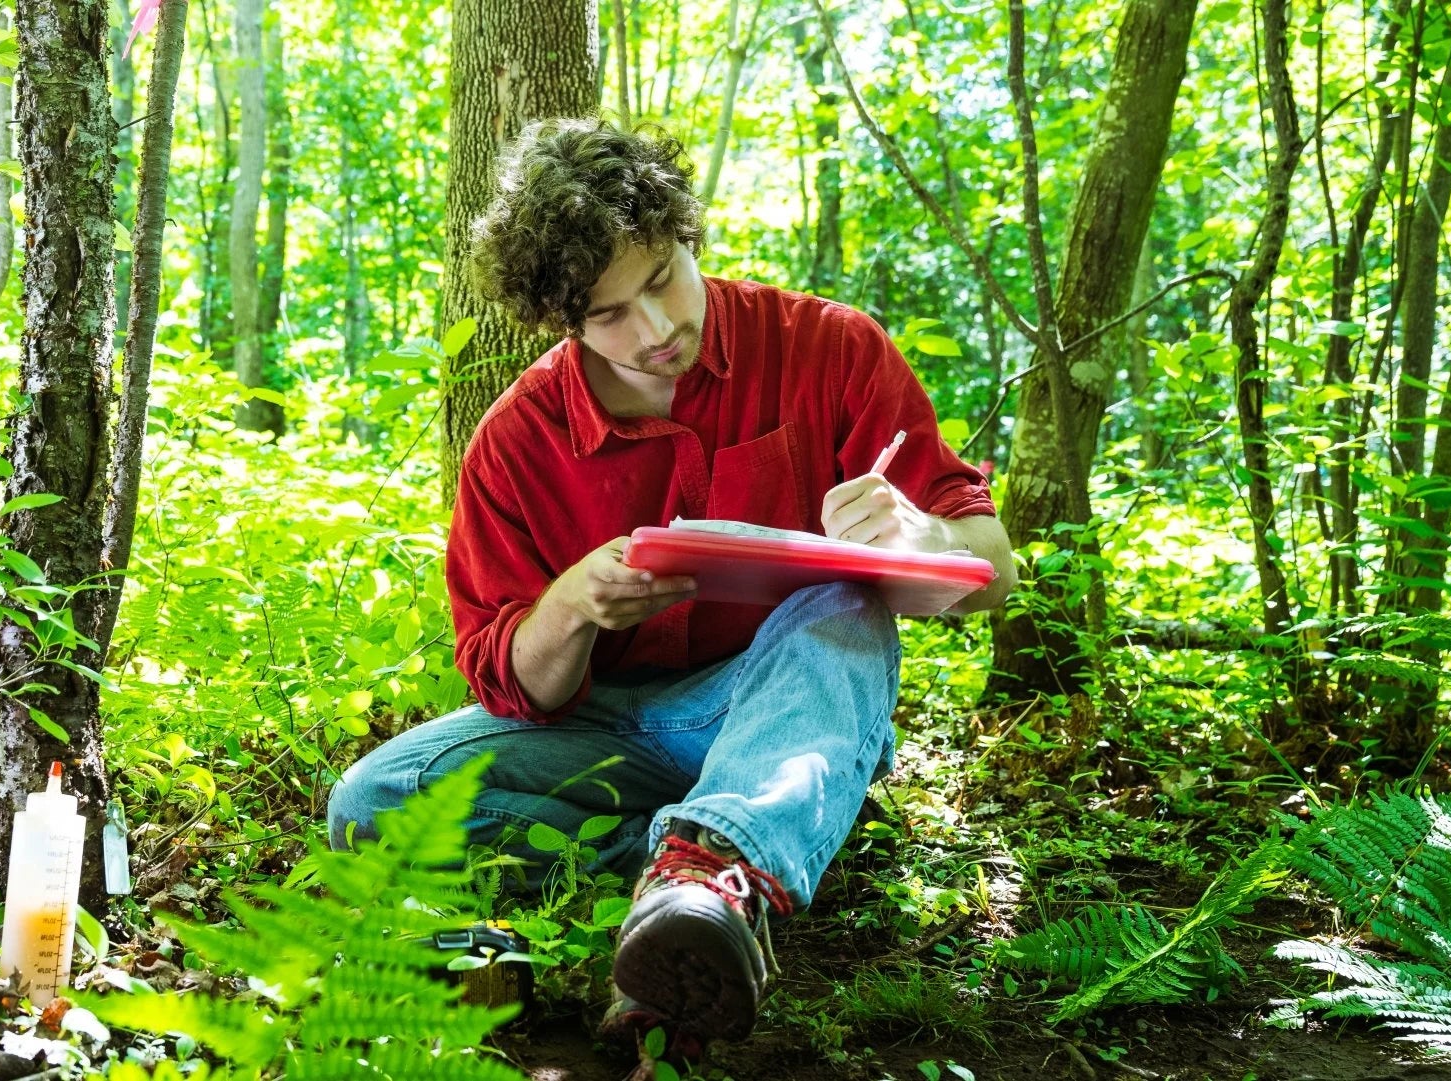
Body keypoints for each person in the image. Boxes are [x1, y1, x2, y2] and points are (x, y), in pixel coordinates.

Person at [326, 120, 1016, 1055]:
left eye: (660, 279)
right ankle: (685, 876)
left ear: (687, 235)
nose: (654, 331)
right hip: (600, 729)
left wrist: (925, 537)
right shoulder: (517, 440)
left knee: (841, 601)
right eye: (609, 315)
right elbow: (510, 683)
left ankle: (714, 877)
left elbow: (991, 569)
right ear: (561, 322)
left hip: (782, 707)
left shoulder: (827, 348)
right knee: (374, 799)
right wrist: (568, 607)